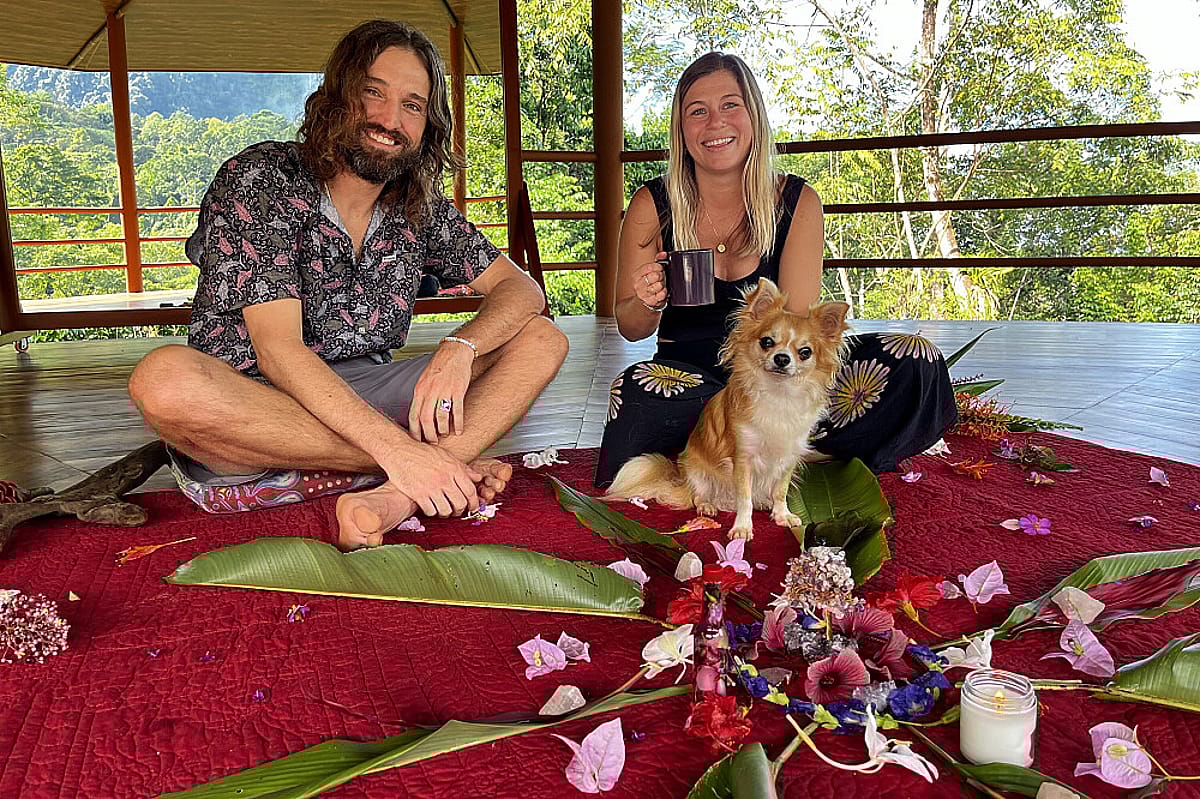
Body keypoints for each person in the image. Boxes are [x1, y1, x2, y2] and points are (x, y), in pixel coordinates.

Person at [129, 20, 568, 550]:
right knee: (164, 380)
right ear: (339, 96)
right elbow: (278, 352)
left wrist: (461, 345)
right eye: (373, 94)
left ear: (428, 124)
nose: (389, 120)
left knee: (542, 337)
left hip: (371, 393)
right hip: (258, 401)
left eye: (412, 104)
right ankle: (430, 466)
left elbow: (521, 290)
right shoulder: (263, 178)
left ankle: (391, 496)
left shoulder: (418, 206)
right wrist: (405, 451)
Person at [594, 52, 956, 488]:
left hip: (777, 383)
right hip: (696, 387)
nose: (715, 123)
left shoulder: (797, 202)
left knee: (915, 361)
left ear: (754, 116)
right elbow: (630, 327)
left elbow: (798, 332)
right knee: (636, 390)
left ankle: (760, 454)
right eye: (698, 111)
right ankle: (782, 454)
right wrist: (650, 301)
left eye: (731, 105)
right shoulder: (652, 204)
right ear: (681, 128)